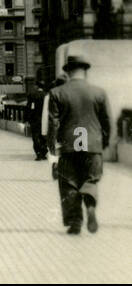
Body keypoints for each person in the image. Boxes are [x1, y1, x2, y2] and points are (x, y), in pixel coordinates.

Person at [47, 54, 111, 235]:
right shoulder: (99, 93)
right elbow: (107, 122)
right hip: (92, 145)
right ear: (85, 71)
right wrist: (103, 143)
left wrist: (51, 146)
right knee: (90, 179)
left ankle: (75, 221)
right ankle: (90, 206)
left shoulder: (57, 93)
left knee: (69, 183)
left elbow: (53, 122)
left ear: (67, 72)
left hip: (69, 146)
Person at [26, 81, 48, 160]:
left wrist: (28, 119)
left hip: (35, 120)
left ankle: (38, 153)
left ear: (37, 86)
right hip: (45, 120)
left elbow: (28, 108)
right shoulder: (47, 95)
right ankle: (44, 152)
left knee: (35, 136)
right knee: (44, 136)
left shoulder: (32, 95)